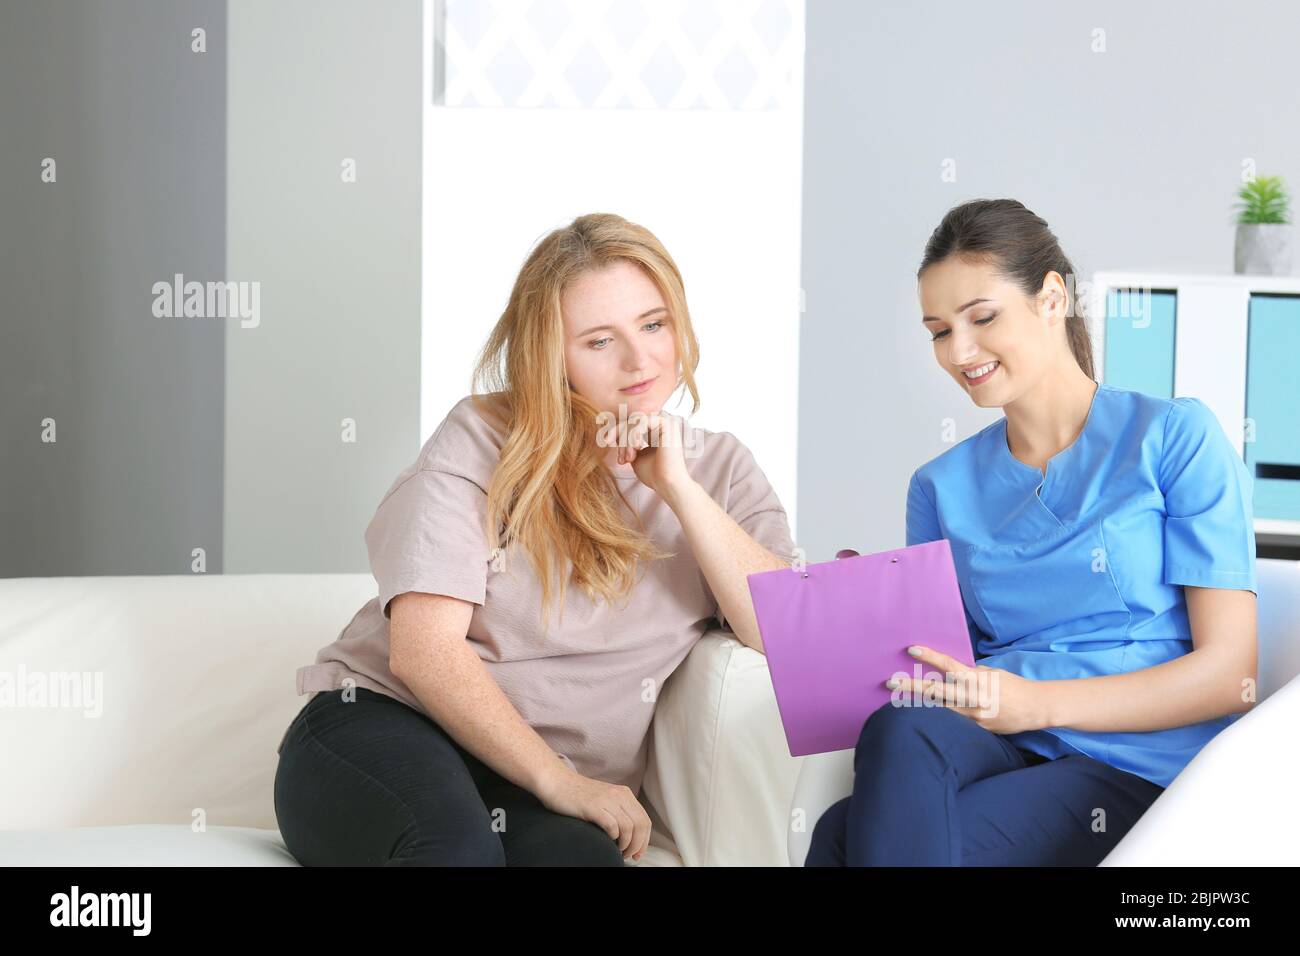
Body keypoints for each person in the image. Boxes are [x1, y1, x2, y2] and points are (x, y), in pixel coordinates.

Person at [273, 212, 794, 866]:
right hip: (383, 725)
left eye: (654, 324)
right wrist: (561, 780)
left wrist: (679, 490)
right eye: (600, 341)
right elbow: (422, 652)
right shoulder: (482, 437)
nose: (640, 359)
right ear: (551, 356)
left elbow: (784, 630)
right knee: (456, 852)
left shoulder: (718, 470)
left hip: (523, 785)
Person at [806, 198, 1259, 866]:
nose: (959, 352)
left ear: (1052, 299)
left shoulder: (1172, 437)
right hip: (1002, 738)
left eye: (982, 317)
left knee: (845, 837)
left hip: (1133, 761)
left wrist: (1035, 703)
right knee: (900, 731)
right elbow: (939, 672)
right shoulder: (938, 487)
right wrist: (865, 616)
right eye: (938, 330)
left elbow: (1230, 675)